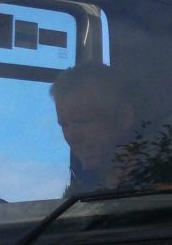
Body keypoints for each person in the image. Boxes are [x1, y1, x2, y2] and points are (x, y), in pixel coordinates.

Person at [51, 60, 139, 191]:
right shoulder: (75, 192)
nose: (72, 137)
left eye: (82, 121)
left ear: (123, 117)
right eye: (64, 125)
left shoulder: (164, 183)